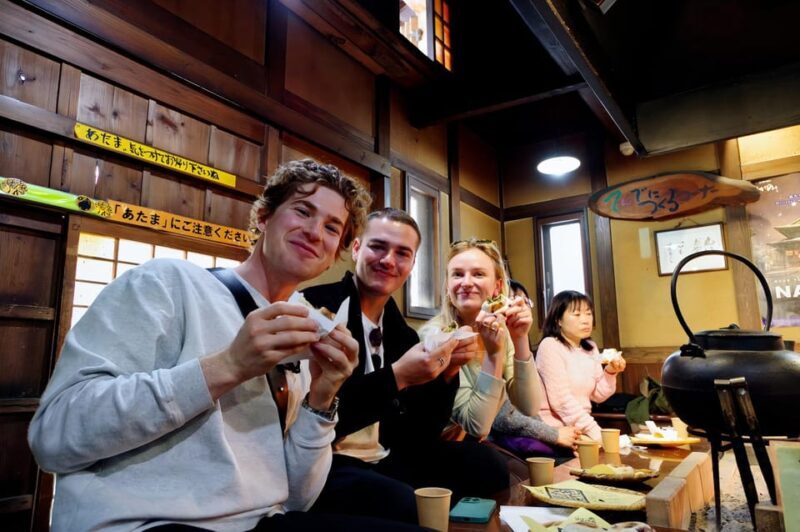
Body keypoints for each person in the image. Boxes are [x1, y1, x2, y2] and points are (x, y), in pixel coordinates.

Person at [28, 159, 420, 531]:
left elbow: (297, 497)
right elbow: (54, 437)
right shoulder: (169, 282)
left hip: (259, 521)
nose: (316, 232)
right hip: (142, 522)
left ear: (337, 253)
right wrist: (228, 366)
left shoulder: (303, 333)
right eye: (302, 211)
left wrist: (322, 396)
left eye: (333, 228)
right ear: (264, 217)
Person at [303, 209, 509, 524]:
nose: (388, 260)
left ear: (412, 265)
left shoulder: (403, 334)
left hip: (388, 456)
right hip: (327, 460)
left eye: (402, 253)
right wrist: (397, 377)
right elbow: (315, 413)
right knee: (402, 501)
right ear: (356, 249)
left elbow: (419, 434)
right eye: (378, 247)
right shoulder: (318, 308)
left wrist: (446, 375)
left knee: (486, 464)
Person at [420, 239, 579, 454]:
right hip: (431, 447)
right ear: (448, 285)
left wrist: (520, 337)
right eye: (457, 274)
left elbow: (529, 406)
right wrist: (494, 354)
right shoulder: (436, 335)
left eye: (478, 274)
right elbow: (476, 426)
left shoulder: (501, 332)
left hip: (468, 445)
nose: (466, 282)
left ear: (497, 286)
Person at [537, 290, 626, 442]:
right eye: (577, 315)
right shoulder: (550, 346)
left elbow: (598, 395)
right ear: (558, 320)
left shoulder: (591, 348)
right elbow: (561, 401)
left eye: (588, 313)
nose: (585, 320)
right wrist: (597, 434)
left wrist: (611, 372)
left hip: (580, 427)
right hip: (554, 429)